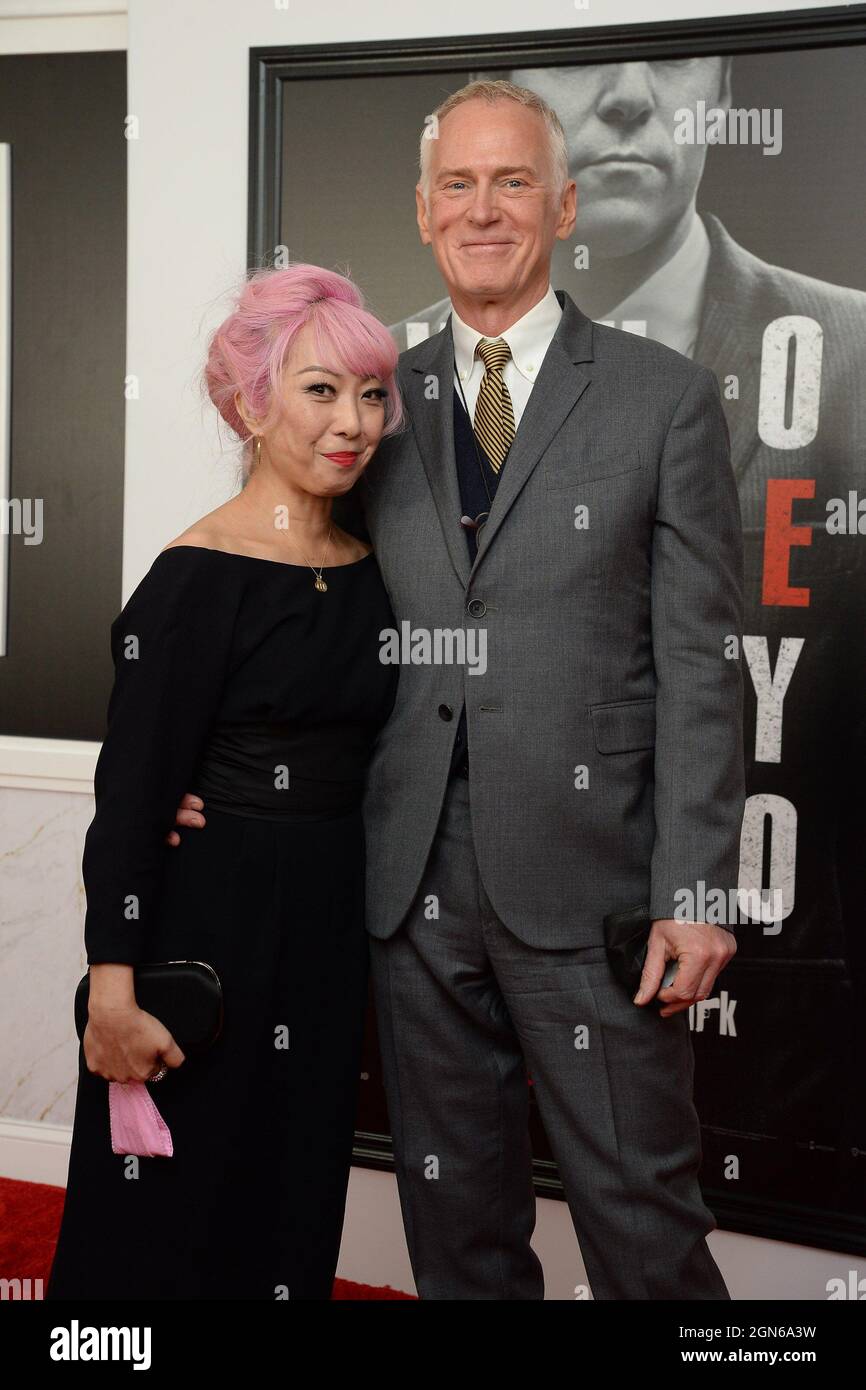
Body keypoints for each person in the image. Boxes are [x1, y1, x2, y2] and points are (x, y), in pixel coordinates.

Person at [173, 81, 745, 1300]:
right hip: (402, 881)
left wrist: (692, 890)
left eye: (512, 181)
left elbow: (702, 666)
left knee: (640, 1220)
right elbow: (284, 592)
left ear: (564, 203)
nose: (483, 209)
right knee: (458, 1231)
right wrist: (185, 764)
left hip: (598, 892)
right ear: (423, 211)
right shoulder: (372, 402)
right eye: (457, 184)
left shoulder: (663, 400)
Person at [45, 264, 401, 1301]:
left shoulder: (373, 567)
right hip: (209, 926)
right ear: (252, 405)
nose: (353, 421)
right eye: (320, 390)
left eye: (371, 394)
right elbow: (133, 799)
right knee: (161, 1223)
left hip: (326, 933)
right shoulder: (195, 576)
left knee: (288, 1208)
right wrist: (110, 994)